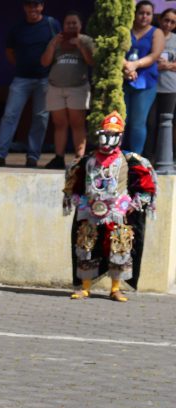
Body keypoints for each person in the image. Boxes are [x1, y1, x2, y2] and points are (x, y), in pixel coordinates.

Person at [64, 111, 156, 302]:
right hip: (91, 210)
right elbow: (74, 186)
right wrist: (79, 201)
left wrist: (133, 204)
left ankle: (115, 288)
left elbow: (147, 187)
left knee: (119, 247)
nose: (107, 140)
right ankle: (85, 287)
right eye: (105, 134)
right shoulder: (87, 161)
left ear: (120, 137)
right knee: (85, 246)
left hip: (117, 212)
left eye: (113, 135)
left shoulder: (130, 161)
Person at [0, 1, 60, 168]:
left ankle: (33, 157)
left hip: (45, 79)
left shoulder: (51, 24)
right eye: (29, 5)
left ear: (42, 6)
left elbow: (59, 47)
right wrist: (21, 65)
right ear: (24, 7)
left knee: (41, 118)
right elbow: (9, 52)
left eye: (36, 5)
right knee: (10, 115)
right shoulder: (17, 28)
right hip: (21, 78)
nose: (32, 9)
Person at [41, 11, 94, 169]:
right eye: (68, 23)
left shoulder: (86, 40)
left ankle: (79, 158)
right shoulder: (56, 40)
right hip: (55, 87)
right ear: (63, 25)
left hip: (77, 87)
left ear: (80, 25)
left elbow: (92, 61)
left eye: (74, 23)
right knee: (59, 124)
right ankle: (59, 157)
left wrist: (81, 46)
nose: (71, 26)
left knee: (77, 123)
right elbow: (44, 62)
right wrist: (52, 45)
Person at [123, 1, 165, 155]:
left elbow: (154, 55)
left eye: (148, 14)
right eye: (141, 13)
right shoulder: (126, 30)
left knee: (137, 122)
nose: (144, 16)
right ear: (134, 14)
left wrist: (135, 65)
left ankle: (135, 157)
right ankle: (117, 156)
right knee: (121, 122)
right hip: (123, 79)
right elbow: (117, 51)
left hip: (145, 83)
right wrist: (126, 66)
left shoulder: (156, 32)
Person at [153, 8, 176, 173]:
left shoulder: (175, 40)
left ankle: (168, 157)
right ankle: (148, 157)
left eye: (172, 22)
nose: (168, 24)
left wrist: (168, 65)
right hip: (150, 86)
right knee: (149, 124)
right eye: (166, 20)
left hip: (170, 88)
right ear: (160, 19)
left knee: (168, 124)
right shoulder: (152, 35)